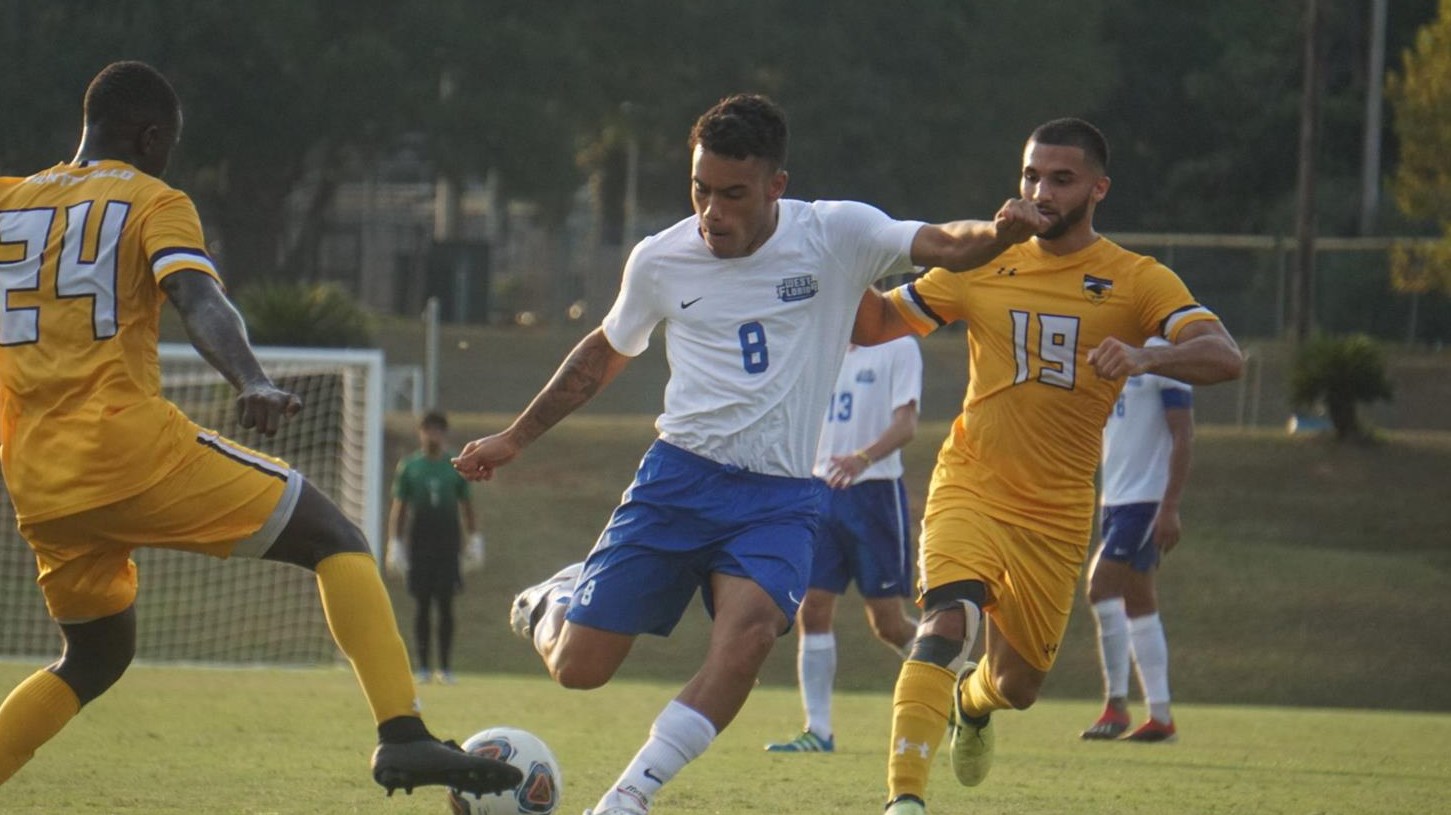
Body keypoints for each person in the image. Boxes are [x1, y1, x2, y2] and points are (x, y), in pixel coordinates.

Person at [452, 93, 1049, 815]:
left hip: (779, 496)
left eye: (732, 194)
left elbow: (949, 244)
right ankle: (552, 598)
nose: (712, 212)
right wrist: (514, 436)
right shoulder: (660, 259)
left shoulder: (836, 233)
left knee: (752, 634)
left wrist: (1000, 231)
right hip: (678, 478)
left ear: (775, 186)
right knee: (580, 669)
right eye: (700, 190)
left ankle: (626, 799)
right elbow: (604, 353)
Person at [0, 61, 519, 798]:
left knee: (92, 656)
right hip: (128, 449)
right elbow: (197, 297)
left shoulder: (8, 201)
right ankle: (402, 734)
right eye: (168, 144)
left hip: (37, 481)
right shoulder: (153, 198)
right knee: (335, 537)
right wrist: (251, 378)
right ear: (152, 135)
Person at [850, 117, 1243, 815]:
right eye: (1031, 175)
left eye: (1060, 179)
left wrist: (1146, 354)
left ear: (1097, 188)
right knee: (946, 619)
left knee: (1018, 685)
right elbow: (874, 325)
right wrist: (832, 262)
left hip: (1056, 510)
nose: (1040, 191)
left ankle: (971, 706)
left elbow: (1224, 355)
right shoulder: (979, 257)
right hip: (969, 479)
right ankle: (903, 799)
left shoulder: (1134, 279)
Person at [764, 336, 923, 754]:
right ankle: (818, 731)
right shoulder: (821, 344)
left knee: (888, 623)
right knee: (811, 609)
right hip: (821, 493)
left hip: (873, 493)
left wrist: (862, 458)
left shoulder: (898, 346)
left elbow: (906, 423)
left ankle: (961, 684)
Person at [1080, 337, 1192, 743]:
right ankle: (1160, 717)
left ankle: (1116, 706)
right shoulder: (1109, 344)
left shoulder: (1162, 354)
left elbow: (1183, 435)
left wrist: (1170, 506)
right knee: (1139, 603)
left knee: (1099, 587)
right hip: (1114, 500)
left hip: (1146, 500)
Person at [387, 410, 485, 686]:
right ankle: (422, 667)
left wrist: (474, 538)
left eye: (437, 429)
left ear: (444, 433)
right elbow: (400, 507)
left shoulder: (454, 465)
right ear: (421, 433)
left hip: (447, 544)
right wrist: (394, 542)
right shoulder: (410, 466)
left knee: (445, 605)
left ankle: (445, 667)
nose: (432, 435)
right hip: (420, 543)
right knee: (421, 605)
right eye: (427, 429)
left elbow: (466, 505)